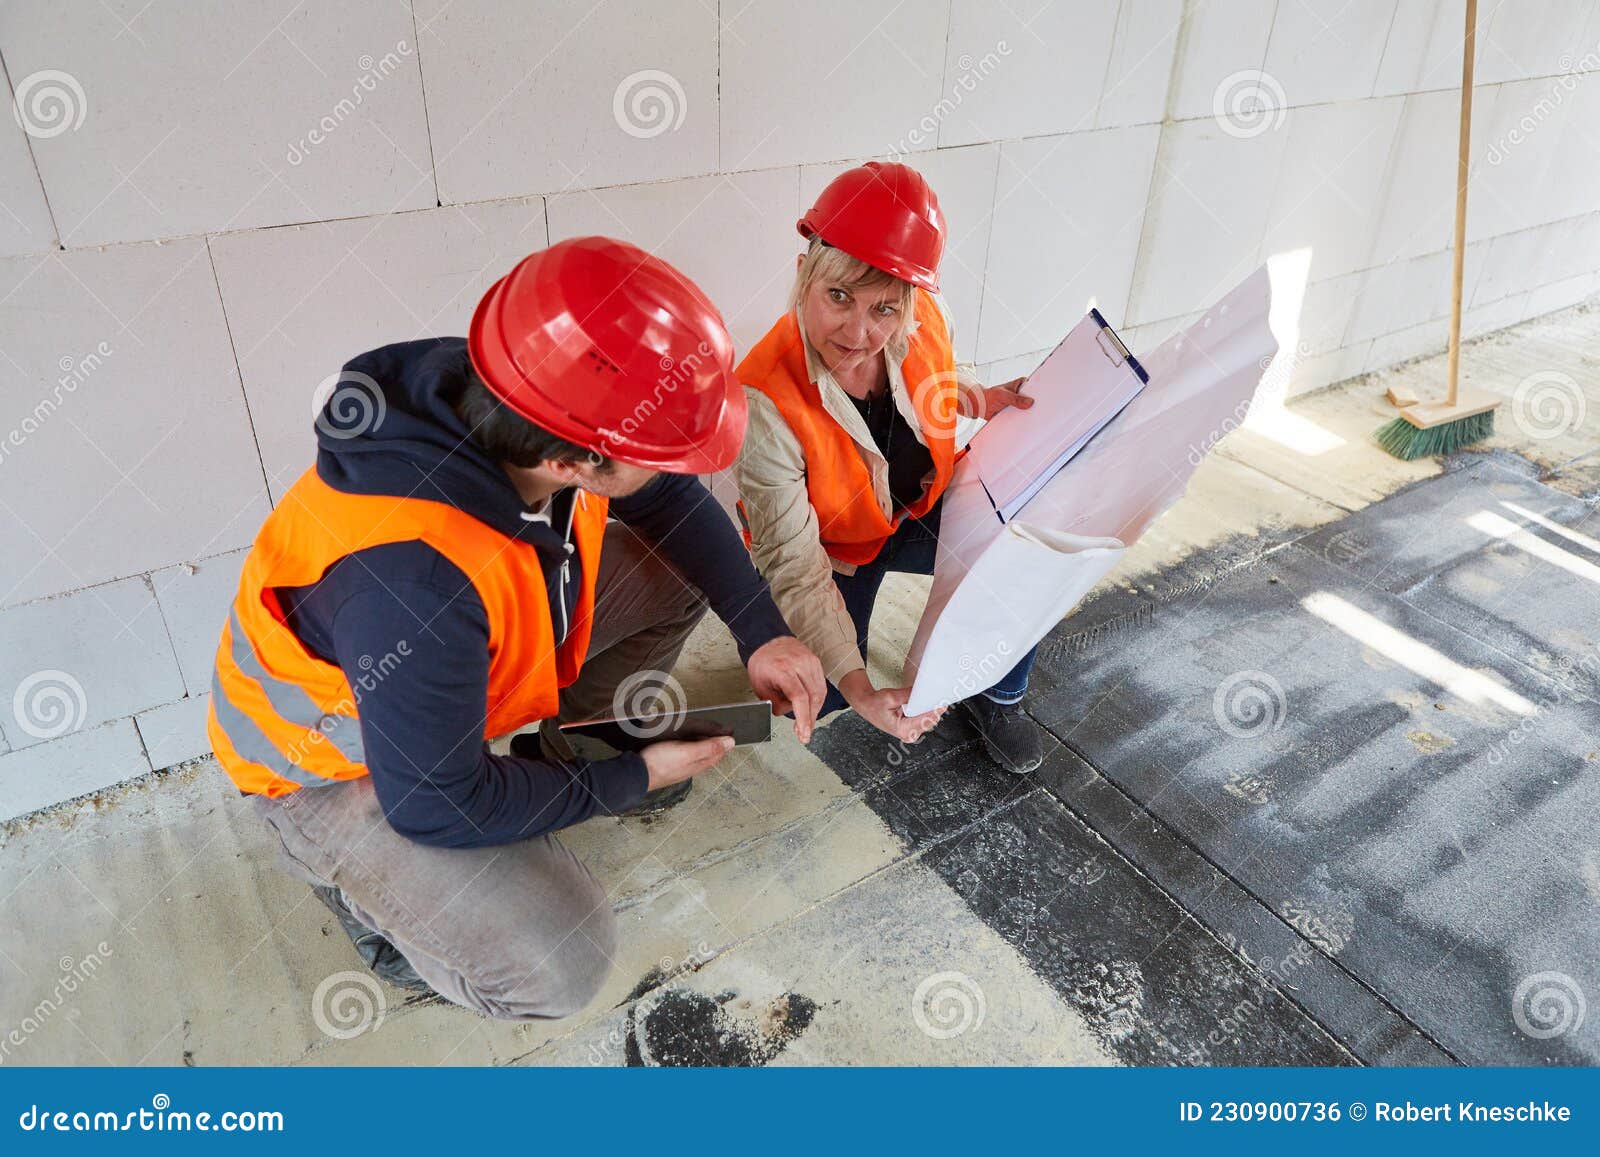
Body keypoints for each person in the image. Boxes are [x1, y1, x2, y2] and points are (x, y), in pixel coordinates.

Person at [209, 237, 826, 1019]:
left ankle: (569, 744)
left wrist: (759, 627)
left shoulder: (518, 397)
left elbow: (665, 503)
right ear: (578, 463)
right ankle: (362, 893)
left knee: (675, 567)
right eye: (652, 453)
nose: (674, 471)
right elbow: (436, 801)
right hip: (328, 763)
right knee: (560, 962)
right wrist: (629, 780)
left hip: (429, 677)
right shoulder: (416, 585)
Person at [735, 162, 1046, 773]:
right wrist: (860, 689)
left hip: (920, 506)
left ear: (911, 299)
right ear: (804, 278)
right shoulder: (762, 399)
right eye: (838, 297)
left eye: (884, 309)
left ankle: (998, 694)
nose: (858, 332)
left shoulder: (925, 315)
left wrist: (979, 399)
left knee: (1022, 550)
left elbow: (933, 381)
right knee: (815, 697)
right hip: (834, 547)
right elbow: (795, 565)